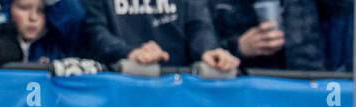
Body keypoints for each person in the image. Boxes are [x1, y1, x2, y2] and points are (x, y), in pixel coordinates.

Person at [83, 0, 239, 71]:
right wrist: (130, 52)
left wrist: (209, 51)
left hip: (176, 89)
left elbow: (199, 25)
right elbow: (95, 33)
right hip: (117, 86)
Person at [212, 0, 326, 71]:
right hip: (245, 84)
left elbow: (334, 12)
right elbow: (205, 48)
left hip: (307, 78)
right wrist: (238, 47)